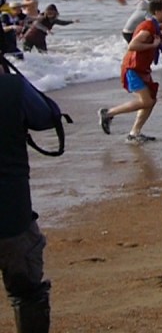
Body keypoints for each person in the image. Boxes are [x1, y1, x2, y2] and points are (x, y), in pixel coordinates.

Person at [1, 71, 50, 333]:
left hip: (13, 212)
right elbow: (47, 116)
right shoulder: (11, 87)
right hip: (12, 214)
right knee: (28, 293)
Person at [99, 0, 162, 143]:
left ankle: (134, 133)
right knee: (146, 101)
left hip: (143, 68)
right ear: (157, 12)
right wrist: (152, 45)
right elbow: (132, 46)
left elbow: (161, 42)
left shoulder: (156, 26)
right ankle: (108, 113)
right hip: (133, 67)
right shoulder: (148, 27)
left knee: (151, 100)